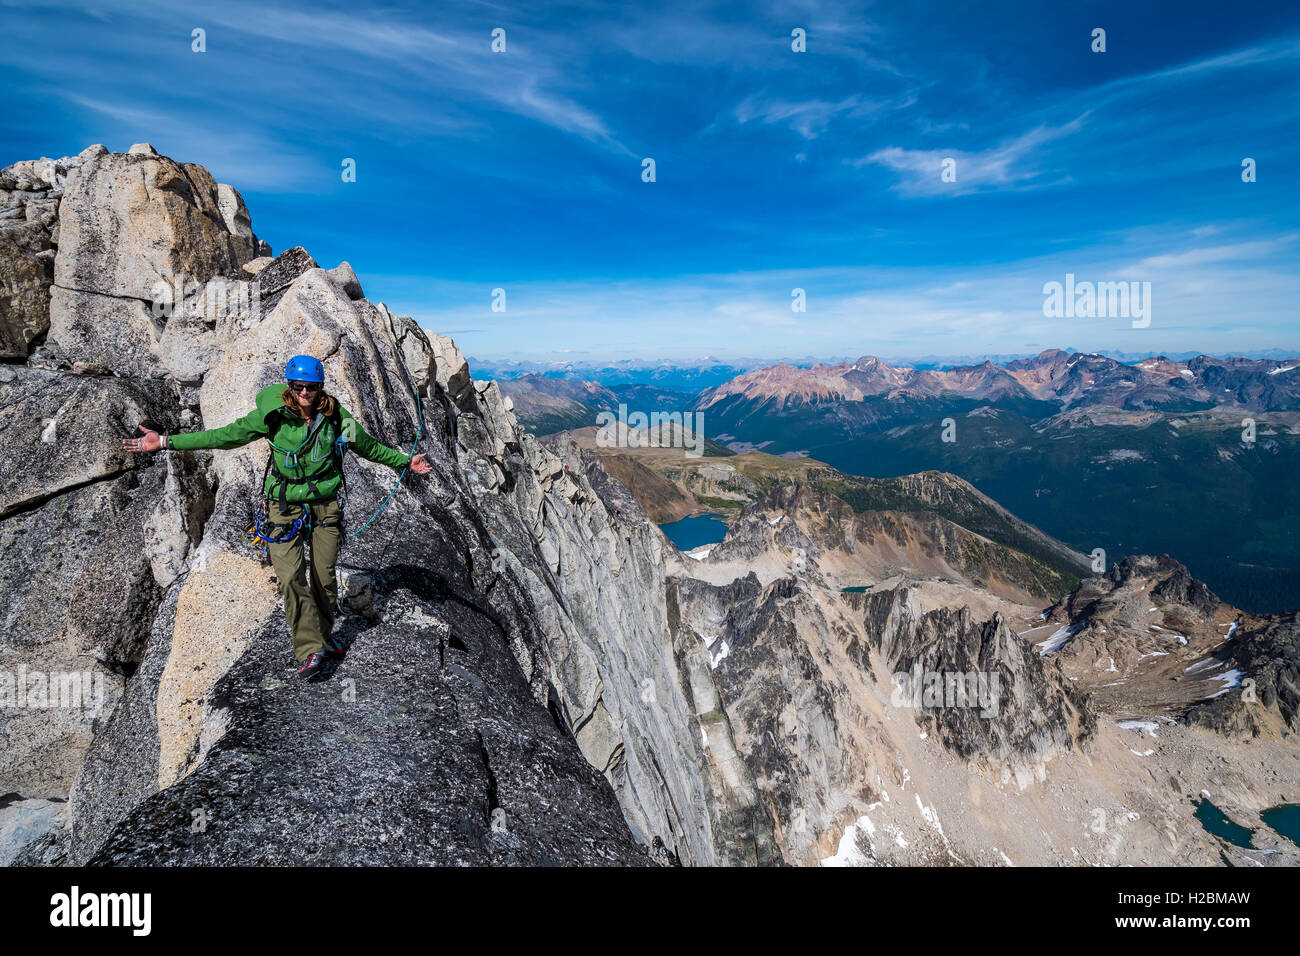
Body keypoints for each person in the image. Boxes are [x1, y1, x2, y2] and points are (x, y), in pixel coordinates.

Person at [122, 355, 432, 681]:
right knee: (291, 578)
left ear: (320, 387)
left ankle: (325, 638)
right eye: (298, 386)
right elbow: (223, 436)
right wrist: (167, 441)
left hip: (325, 508)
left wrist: (404, 462)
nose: (304, 392)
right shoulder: (273, 418)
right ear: (289, 385)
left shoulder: (335, 417)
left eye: (311, 387)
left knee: (324, 579)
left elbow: (368, 447)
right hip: (283, 509)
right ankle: (311, 649)